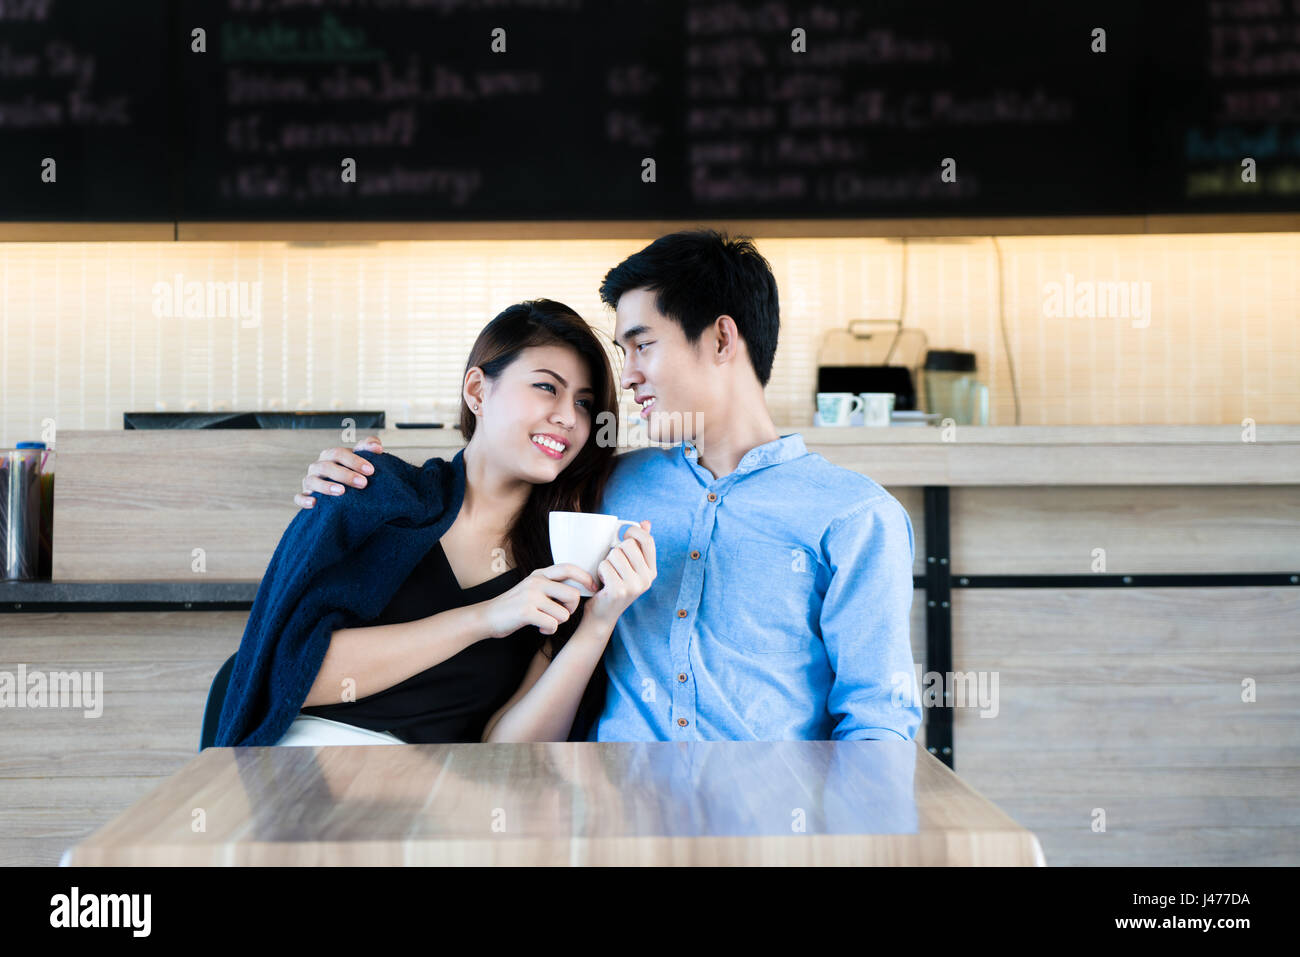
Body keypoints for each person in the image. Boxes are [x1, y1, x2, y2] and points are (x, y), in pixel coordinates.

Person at [295, 230, 921, 743]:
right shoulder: (603, 483)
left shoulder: (855, 517)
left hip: (765, 818)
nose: (629, 379)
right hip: (611, 809)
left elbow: (879, 722)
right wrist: (352, 481)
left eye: (642, 346)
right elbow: (496, 469)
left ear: (723, 338)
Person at [217, 299, 656, 747]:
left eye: (584, 403)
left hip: (446, 790)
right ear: (478, 392)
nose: (568, 417)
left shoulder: (558, 562)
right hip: (311, 760)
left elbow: (509, 752)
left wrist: (597, 625)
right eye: (547, 388)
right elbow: (287, 675)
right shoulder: (374, 493)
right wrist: (487, 616)